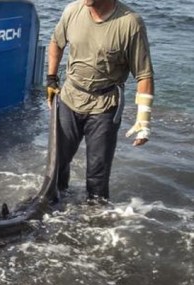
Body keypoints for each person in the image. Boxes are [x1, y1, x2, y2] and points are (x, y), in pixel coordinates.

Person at [46, 0, 154, 203]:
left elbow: (144, 75)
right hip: (69, 99)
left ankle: (96, 223)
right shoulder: (72, 11)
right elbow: (56, 43)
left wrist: (143, 119)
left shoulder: (130, 23)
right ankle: (55, 212)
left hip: (105, 106)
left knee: (97, 176)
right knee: (56, 166)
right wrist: (51, 80)